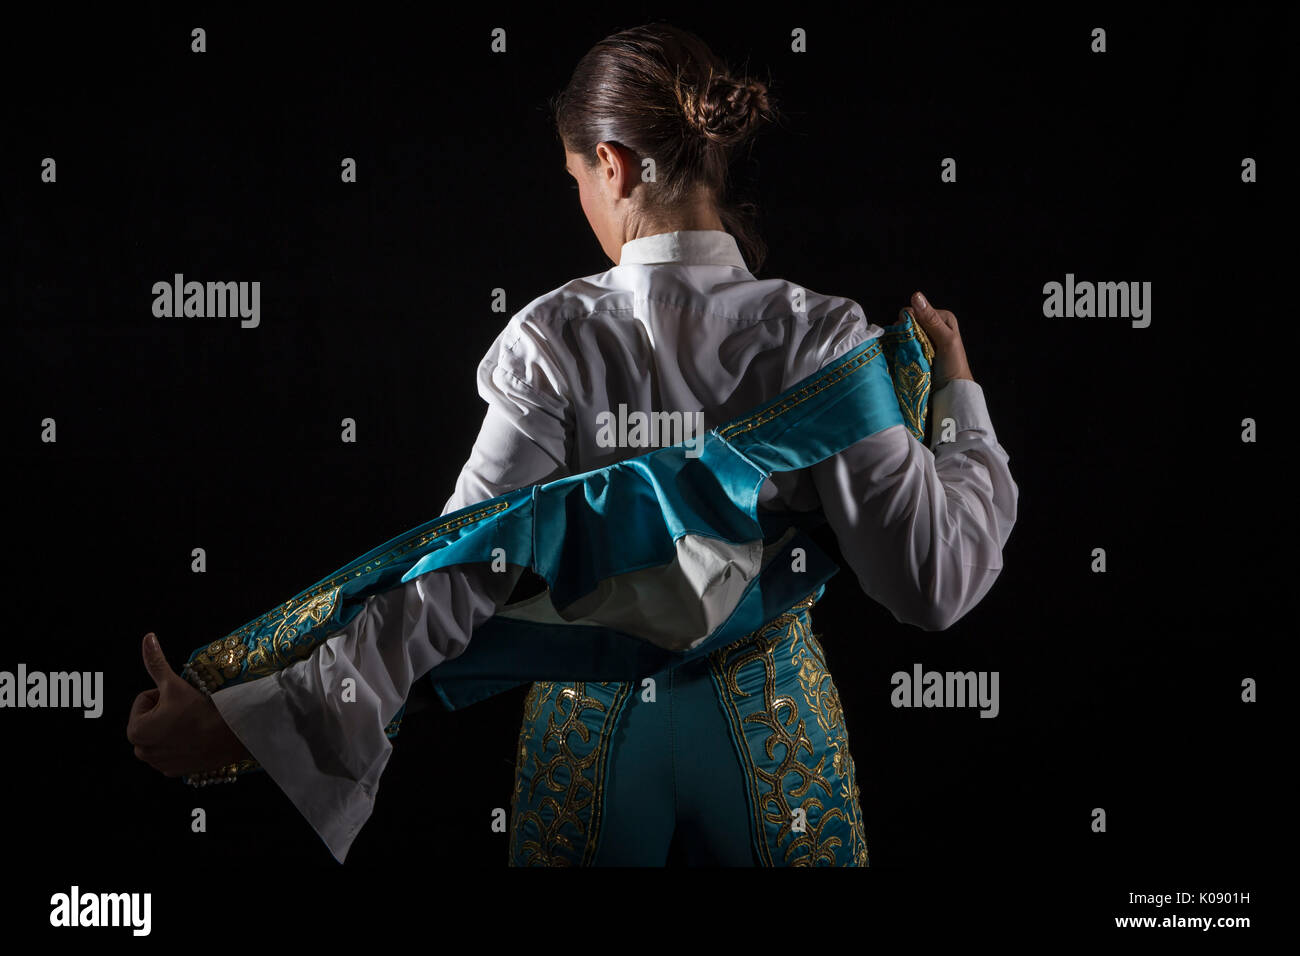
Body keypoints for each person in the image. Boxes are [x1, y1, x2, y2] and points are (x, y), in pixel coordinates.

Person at [127, 23, 1018, 866]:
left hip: (593, 738)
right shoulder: (826, 341)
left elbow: (455, 569)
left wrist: (243, 724)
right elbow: (933, 585)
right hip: (771, 723)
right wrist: (959, 399)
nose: (585, 204)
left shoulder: (553, 339)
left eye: (577, 181)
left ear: (614, 165)